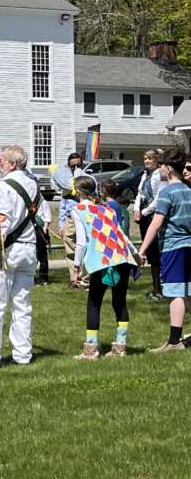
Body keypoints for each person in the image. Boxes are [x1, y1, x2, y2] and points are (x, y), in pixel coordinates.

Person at [0, 145, 40, 368]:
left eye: (0, 160)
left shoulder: (2, 188)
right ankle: (23, 354)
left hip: (6, 251)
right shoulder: (34, 185)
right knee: (22, 305)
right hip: (28, 248)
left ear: (12, 163)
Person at [68, 178, 140, 359]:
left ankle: (91, 349)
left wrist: (76, 268)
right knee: (119, 301)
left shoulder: (78, 210)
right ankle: (120, 346)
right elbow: (120, 233)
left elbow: (81, 243)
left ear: (77, 191)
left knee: (94, 302)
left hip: (101, 260)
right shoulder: (106, 209)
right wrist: (136, 253)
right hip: (121, 257)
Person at [138, 149, 191, 352]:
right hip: (189, 247)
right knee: (189, 291)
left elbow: (156, 223)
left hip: (173, 247)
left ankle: (174, 341)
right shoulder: (189, 191)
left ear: (168, 169)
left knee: (175, 293)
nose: (159, 168)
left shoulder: (167, 192)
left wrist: (142, 250)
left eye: (161, 165)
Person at [134, 150, 164, 301]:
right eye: (145, 158)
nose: (146, 161)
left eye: (150, 158)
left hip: (154, 213)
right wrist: (136, 209)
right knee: (151, 253)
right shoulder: (145, 175)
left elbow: (159, 197)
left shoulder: (160, 175)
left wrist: (144, 211)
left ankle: (162, 288)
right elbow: (140, 193)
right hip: (144, 215)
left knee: (158, 252)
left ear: (157, 160)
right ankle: (156, 287)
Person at [53, 152, 87, 263]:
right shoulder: (67, 183)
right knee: (71, 251)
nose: (76, 168)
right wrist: (61, 224)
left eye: (78, 165)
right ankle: (74, 277)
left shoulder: (88, 180)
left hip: (84, 218)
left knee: (84, 248)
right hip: (70, 220)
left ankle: (85, 277)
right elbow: (63, 206)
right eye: (73, 166)